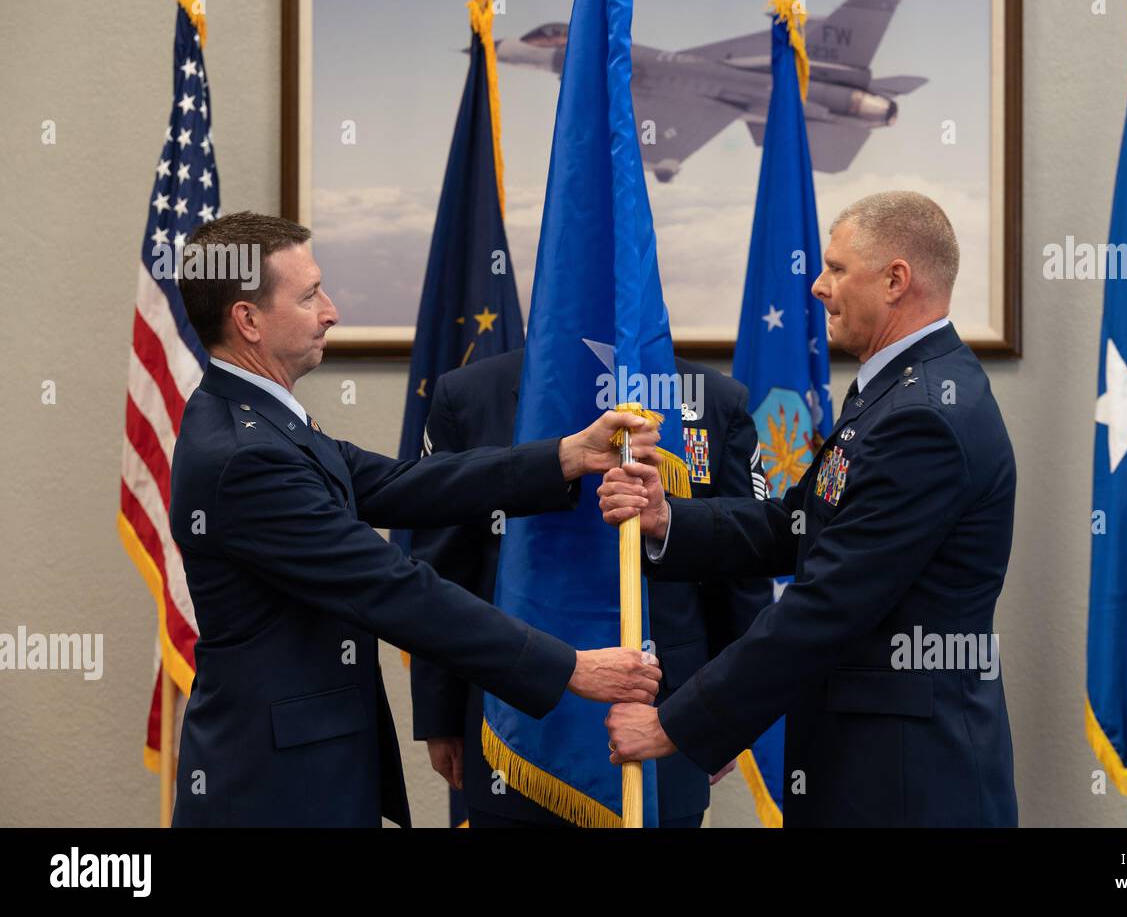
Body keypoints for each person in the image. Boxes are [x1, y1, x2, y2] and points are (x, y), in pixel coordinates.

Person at [168, 211, 661, 827]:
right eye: (310, 293)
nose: (331, 310)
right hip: (274, 788)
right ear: (248, 319)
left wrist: (567, 456)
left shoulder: (261, 420)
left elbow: (404, 482)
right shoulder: (245, 455)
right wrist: (570, 668)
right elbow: (392, 587)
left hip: (306, 763)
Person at [599, 191, 1018, 827]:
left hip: (904, 782)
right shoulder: (899, 390)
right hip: (869, 763)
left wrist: (675, 723)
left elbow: (828, 604)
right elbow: (798, 521)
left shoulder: (924, 416)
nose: (819, 287)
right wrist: (667, 521)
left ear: (896, 280)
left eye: (837, 269)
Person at [410, 349, 772, 828]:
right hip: (511, 721)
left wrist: (726, 715)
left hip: (667, 717)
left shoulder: (716, 399)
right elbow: (442, 570)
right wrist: (441, 716)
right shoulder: (471, 395)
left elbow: (742, 573)